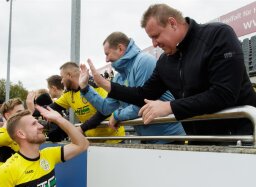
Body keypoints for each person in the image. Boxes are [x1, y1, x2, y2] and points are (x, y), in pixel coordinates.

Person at [86, 4, 256, 142]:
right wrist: (107, 85)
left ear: (173, 23)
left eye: (156, 36)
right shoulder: (165, 61)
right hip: (202, 142)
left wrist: (169, 107)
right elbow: (143, 94)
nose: (154, 44)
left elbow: (224, 94)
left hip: (244, 138)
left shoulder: (218, 35)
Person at [79, 32, 185, 144]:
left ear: (120, 48)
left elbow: (143, 103)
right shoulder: (118, 77)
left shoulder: (144, 61)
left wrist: (117, 115)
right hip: (148, 139)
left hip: (170, 137)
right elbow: (106, 108)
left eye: (107, 54)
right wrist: (85, 88)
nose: (106, 59)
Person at [0, 107, 89, 187]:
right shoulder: (8, 169)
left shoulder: (49, 155)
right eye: (34, 124)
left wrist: (59, 119)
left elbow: (82, 144)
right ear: (21, 133)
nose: (41, 126)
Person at [28, 62, 126, 144]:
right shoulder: (68, 95)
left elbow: (105, 111)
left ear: (69, 75)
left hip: (114, 140)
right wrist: (32, 108)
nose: (61, 81)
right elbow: (51, 108)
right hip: (93, 141)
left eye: (62, 77)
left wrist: (81, 128)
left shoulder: (94, 86)